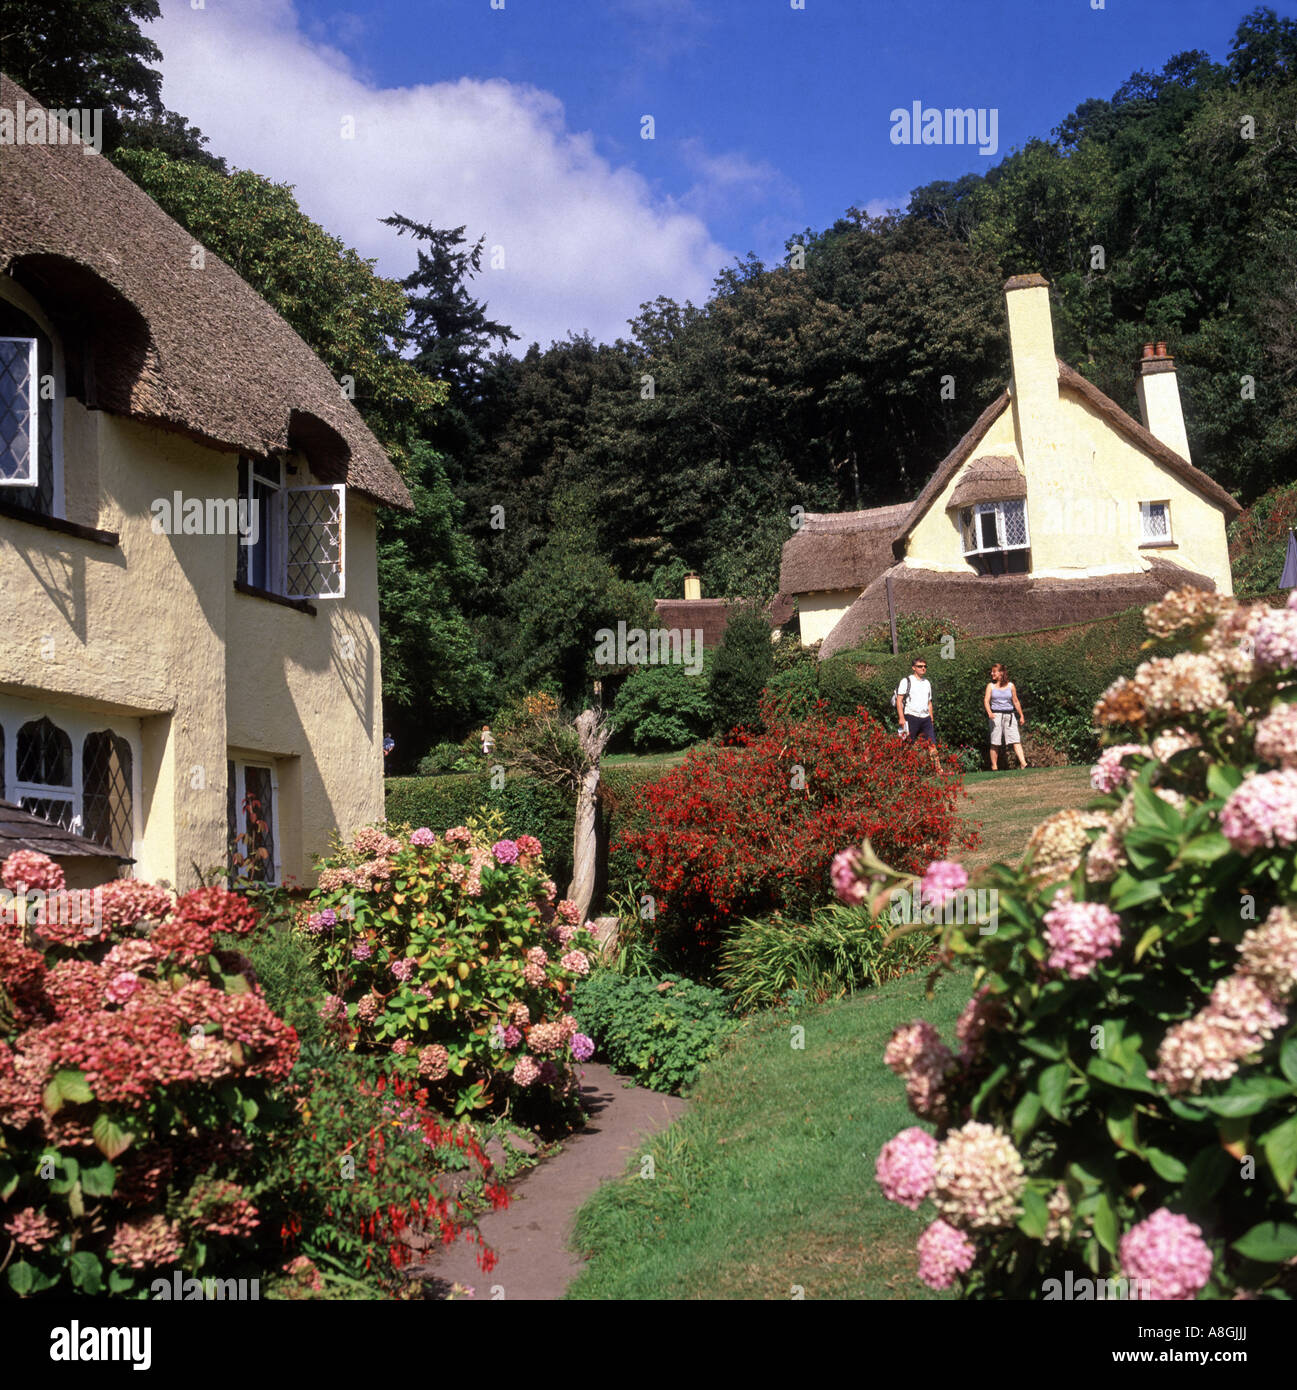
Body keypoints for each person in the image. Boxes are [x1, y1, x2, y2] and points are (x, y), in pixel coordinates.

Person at [895, 657, 942, 772]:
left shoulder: (927, 683)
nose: (923, 668)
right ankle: (903, 770)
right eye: (920, 666)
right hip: (911, 717)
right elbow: (899, 700)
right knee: (906, 744)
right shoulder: (906, 681)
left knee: (932, 744)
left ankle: (938, 770)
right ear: (914, 668)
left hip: (925, 718)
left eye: (925, 666)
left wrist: (931, 717)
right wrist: (901, 718)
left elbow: (929, 702)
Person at [984, 662, 1026, 770]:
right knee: (995, 742)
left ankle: (1023, 763)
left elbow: (1015, 701)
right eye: (992, 672)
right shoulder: (991, 686)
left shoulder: (1011, 686)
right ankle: (994, 766)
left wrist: (1021, 715)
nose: (992, 674)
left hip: (1010, 716)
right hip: (996, 716)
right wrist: (989, 712)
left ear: (1001, 673)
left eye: (994, 672)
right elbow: (986, 700)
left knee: (1015, 740)